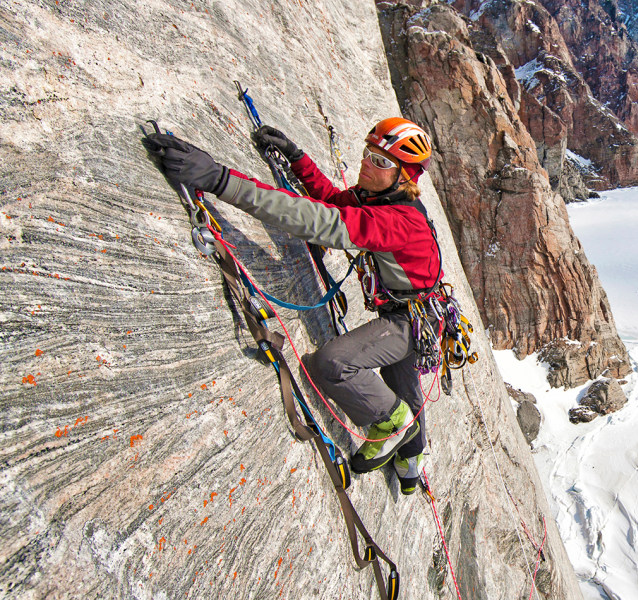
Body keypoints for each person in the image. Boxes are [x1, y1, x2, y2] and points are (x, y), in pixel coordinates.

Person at [142, 118, 440, 494]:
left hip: (407, 323)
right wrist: (297, 159)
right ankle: (411, 464)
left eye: (381, 162)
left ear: (405, 178)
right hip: (415, 316)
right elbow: (333, 200)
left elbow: (318, 220)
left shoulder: (397, 222)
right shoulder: (378, 198)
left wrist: (220, 180)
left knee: (331, 364)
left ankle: (395, 425)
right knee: (407, 388)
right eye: (368, 154)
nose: (366, 163)